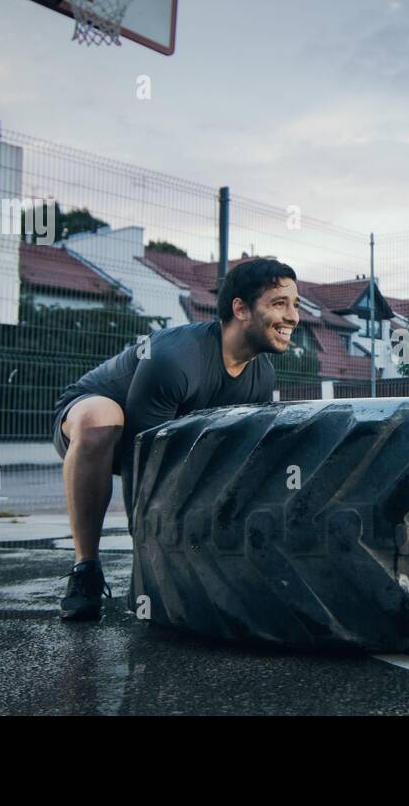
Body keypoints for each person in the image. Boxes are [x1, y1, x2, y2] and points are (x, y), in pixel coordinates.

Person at [51, 258, 297, 621]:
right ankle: (85, 570)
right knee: (101, 418)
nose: (293, 316)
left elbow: (232, 463)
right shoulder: (175, 357)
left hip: (168, 435)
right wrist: (152, 570)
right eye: (279, 303)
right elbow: (144, 463)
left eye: (296, 305)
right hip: (93, 425)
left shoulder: (262, 375)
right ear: (241, 309)